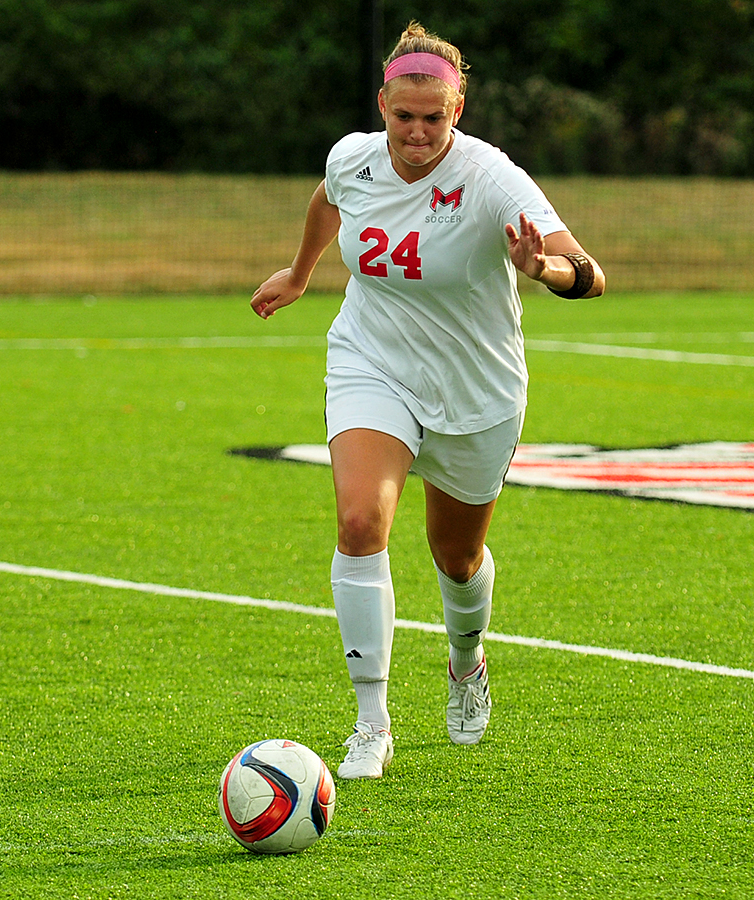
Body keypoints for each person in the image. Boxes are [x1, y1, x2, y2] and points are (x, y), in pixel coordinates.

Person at [250, 22, 605, 780]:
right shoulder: (353, 158)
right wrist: (299, 271)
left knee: (457, 554)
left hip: (476, 390)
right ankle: (370, 723)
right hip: (372, 363)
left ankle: (467, 660)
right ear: (383, 104)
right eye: (403, 116)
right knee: (359, 521)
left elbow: (589, 271)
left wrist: (546, 269)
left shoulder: (491, 178)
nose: (416, 132)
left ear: (459, 111)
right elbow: (326, 199)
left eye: (433, 118)